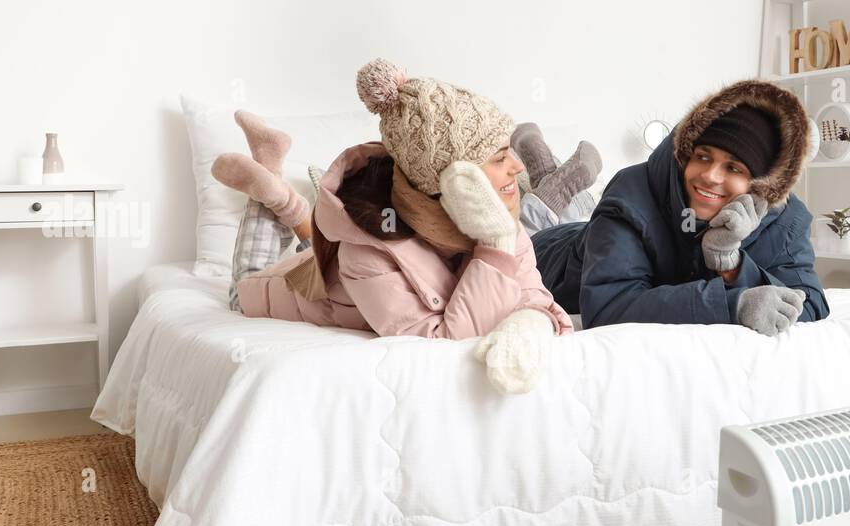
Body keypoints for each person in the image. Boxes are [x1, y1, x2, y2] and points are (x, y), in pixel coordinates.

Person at [212, 58, 577, 394]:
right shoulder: (367, 251)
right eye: (499, 158)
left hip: (339, 277)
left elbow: (538, 302)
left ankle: (276, 177)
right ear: (452, 179)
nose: (517, 167)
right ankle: (272, 190)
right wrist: (494, 246)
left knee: (312, 248)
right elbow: (442, 343)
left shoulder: (497, 219)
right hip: (278, 288)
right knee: (245, 283)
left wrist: (531, 323)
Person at [528, 78, 829, 335]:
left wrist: (732, 266)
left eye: (734, 169)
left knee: (570, 211)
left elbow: (810, 302)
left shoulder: (786, 220)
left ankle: (548, 172)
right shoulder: (631, 193)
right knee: (528, 226)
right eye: (703, 156)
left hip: (594, 233)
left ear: (762, 185)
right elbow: (608, 305)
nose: (710, 176)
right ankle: (546, 173)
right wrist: (731, 304)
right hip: (549, 254)